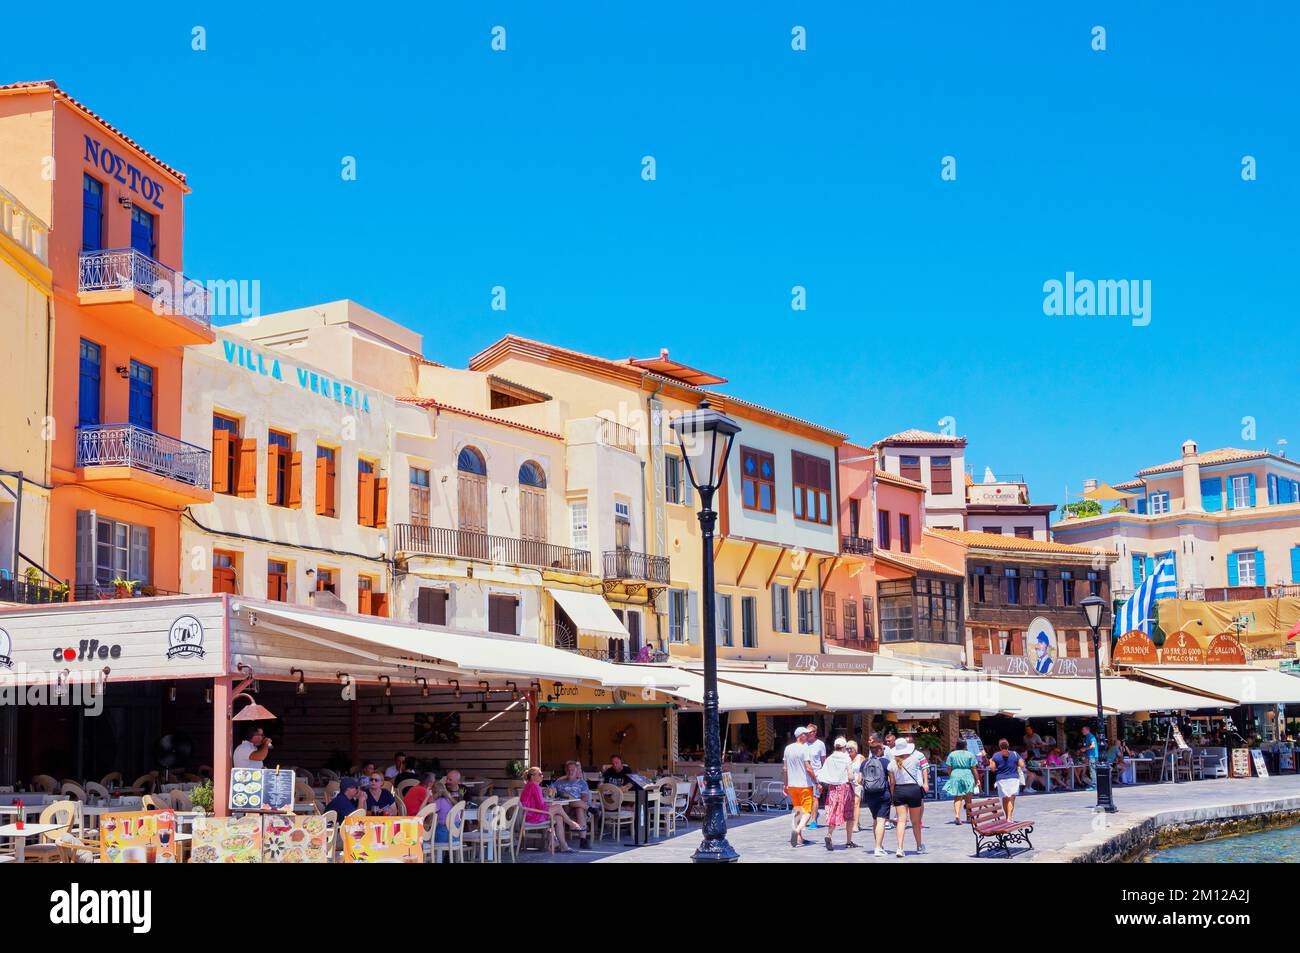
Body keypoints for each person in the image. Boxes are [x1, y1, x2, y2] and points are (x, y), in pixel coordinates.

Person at [521, 766, 583, 852]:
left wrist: (549, 805)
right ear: (532, 776)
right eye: (539, 774)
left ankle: (564, 846)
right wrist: (550, 805)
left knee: (558, 817)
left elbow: (537, 804)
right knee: (558, 807)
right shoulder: (534, 786)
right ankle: (571, 823)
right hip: (532, 816)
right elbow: (541, 806)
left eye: (541, 774)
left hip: (528, 814)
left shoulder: (529, 785)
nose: (542, 776)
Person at [886, 738, 928, 857]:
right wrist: (925, 783)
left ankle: (899, 848)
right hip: (913, 790)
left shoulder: (891, 764)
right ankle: (919, 846)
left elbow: (892, 782)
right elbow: (924, 769)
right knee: (915, 822)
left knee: (901, 821)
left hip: (899, 791)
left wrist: (893, 796)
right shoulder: (915, 759)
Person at [816, 737, 856, 850]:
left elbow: (822, 774)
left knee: (833, 812)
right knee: (849, 815)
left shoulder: (829, 758)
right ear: (844, 748)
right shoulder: (846, 758)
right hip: (845, 788)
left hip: (832, 788)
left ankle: (829, 834)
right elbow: (850, 776)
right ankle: (848, 841)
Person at [782, 725, 816, 847]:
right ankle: (797, 831)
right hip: (804, 785)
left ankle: (800, 838)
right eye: (806, 734)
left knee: (798, 810)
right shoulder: (804, 749)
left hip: (792, 785)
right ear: (801, 736)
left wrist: (785, 784)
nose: (808, 736)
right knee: (807, 811)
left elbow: (785, 769)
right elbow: (808, 768)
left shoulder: (787, 749)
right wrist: (816, 782)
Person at [860, 737, 893, 857]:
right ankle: (878, 848)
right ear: (879, 749)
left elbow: (859, 780)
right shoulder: (885, 762)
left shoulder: (864, 763)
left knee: (875, 820)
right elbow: (892, 780)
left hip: (869, 795)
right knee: (881, 820)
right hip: (883, 794)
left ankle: (878, 844)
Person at [549, 761, 592, 832]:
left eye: (572, 770)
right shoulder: (559, 782)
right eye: (568, 770)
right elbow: (548, 790)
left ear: (576, 771)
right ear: (565, 770)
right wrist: (550, 791)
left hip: (577, 808)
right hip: (563, 808)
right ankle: (590, 810)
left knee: (579, 808)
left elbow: (585, 797)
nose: (570, 772)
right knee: (567, 796)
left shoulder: (582, 783)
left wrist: (576, 803)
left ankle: (583, 839)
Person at [943, 741, 978, 824]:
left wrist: (951, 775)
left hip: (955, 774)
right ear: (965, 746)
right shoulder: (970, 754)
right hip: (967, 775)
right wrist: (977, 779)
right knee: (968, 798)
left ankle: (957, 815)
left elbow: (948, 767)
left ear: (956, 745)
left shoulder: (952, 754)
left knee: (957, 797)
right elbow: (974, 768)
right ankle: (969, 817)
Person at [990, 739, 1023, 821]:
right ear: (1008, 746)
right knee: (1011, 799)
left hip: (1001, 779)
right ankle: (1009, 817)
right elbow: (1021, 765)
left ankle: (1007, 817)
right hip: (1013, 778)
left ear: (1000, 746)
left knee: (1005, 799)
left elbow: (993, 769)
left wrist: (991, 761)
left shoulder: (996, 755)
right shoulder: (1015, 754)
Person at [804, 724, 827, 829]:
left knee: (815, 797)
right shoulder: (803, 744)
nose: (809, 734)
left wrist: (824, 774)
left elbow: (823, 761)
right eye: (807, 732)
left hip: (816, 773)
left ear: (815, 732)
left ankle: (813, 820)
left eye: (811, 732)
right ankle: (804, 818)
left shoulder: (820, 744)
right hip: (804, 774)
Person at [846, 740, 866, 839]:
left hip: (857, 783)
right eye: (847, 749)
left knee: (856, 804)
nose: (849, 750)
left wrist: (861, 777)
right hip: (848, 784)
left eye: (851, 748)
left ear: (855, 749)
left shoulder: (860, 757)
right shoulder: (845, 758)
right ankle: (856, 821)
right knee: (851, 804)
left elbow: (864, 768)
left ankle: (855, 825)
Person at [426, 780, 455, 848]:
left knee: (425, 838)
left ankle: (434, 858)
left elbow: (428, 817)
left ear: (434, 793)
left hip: (444, 837)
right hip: (455, 837)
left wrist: (427, 798)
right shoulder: (449, 800)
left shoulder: (438, 802)